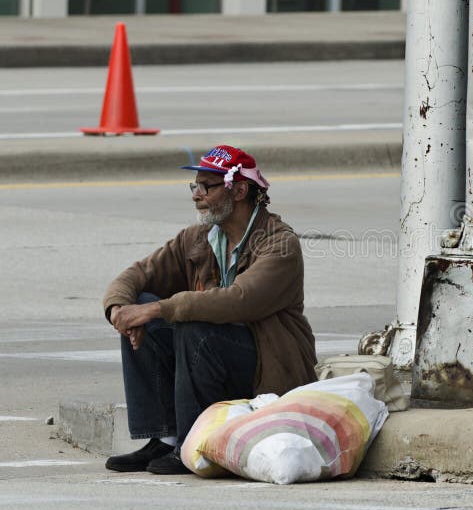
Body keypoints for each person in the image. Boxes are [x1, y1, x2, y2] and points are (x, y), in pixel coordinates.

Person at [103, 145, 317, 475]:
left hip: (267, 365)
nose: (196, 196)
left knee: (188, 323)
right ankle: (166, 438)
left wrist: (162, 308)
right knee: (141, 305)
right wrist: (119, 307)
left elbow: (239, 300)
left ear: (240, 189)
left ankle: (191, 444)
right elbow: (140, 273)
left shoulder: (279, 243)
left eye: (206, 187)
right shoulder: (199, 238)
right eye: (195, 187)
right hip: (213, 360)